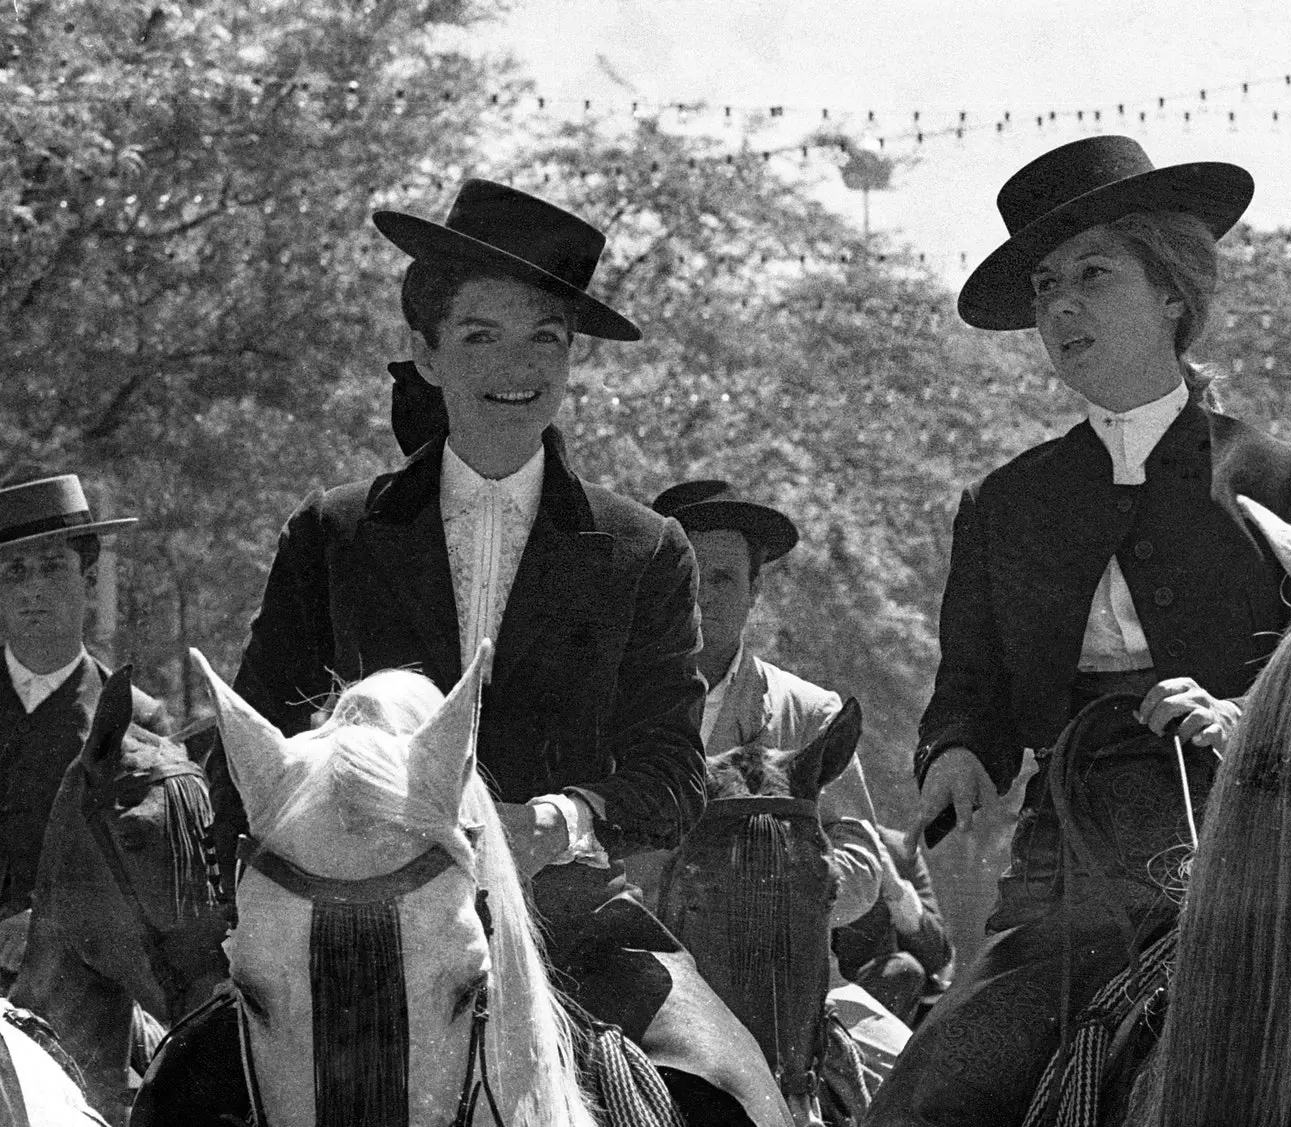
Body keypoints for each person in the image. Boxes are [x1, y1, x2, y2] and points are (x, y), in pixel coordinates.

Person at [156, 181, 787, 1127]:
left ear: (573, 356)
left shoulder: (646, 548)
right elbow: (248, 746)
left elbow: (673, 770)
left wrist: (565, 818)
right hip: (351, 924)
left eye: (546, 336)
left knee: (735, 1100)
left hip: (571, 926)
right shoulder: (333, 532)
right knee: (171, 1093)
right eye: (482, 334)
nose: (516, 365)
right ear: (427, 349)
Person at [865, 136, 1291, 1127]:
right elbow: (971, 686)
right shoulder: (1006, 503)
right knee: (926, 1093)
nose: (1060, 306)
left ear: (1171, 290)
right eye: (1046, 285)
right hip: (1065, 887)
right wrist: (958, 749)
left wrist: (1240, 717)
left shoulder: (1285, 482)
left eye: (1092, 274)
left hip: (1267, 871)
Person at [645, 480, 912, 1093]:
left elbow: (862, 859)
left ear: (754, 591)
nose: (702, 600)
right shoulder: (610, 704)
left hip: (794, 978)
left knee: (916, 1079)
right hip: (653, 974)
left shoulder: (811, 711)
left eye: (722, 581)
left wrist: (791, 889)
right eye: (686, 580)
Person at [0, 473, 170, 983]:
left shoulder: (136, 719)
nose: (32, 590)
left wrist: (49, 921)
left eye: (53, 568)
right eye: (14, 572)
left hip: (81, 987)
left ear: (90, 580)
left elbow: (158, 880)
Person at [832, 824, 954, 1028]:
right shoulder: (788, 840)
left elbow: (936, 955)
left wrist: (893, 885)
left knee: (904, 969)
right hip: (807, 995)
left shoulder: (897, 849)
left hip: (866, 1000)